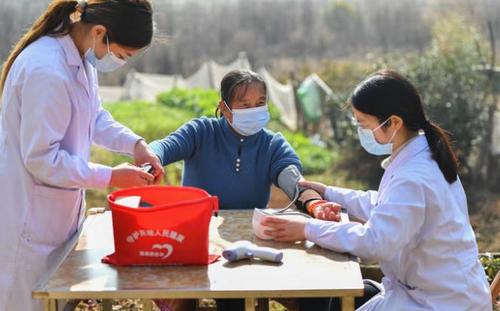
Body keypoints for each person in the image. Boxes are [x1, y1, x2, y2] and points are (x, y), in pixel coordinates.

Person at [262, 70, 492, 310]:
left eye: (363, 124)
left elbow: (375, 240)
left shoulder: (413, 176)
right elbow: (384, 205)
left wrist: (307, 229)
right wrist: (329, 192)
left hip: (443, 303)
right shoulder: (420, 156)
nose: (361, 131)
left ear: (393, 122)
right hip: (436, 293)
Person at [0, 1, 164, 310]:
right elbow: (41, 160)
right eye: (122, 55)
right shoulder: (46, 71)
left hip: (56, 219)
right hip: (28, 225)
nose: (120, 63)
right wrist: (112, 177)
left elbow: (95, 117)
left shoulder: (81, 59)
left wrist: (136, 144)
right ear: (99, 32)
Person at [149, 69, 336, 311]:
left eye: (260, 104)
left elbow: (293, 179)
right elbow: (165, 146)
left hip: (249, 240)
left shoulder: (272, 145)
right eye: (245, 105)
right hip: (198, 236)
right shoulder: (201, 132)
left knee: (238, 296)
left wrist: (315, 204)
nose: (254, 111)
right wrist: (151, 158)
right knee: (183, 296)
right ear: (225, 108)